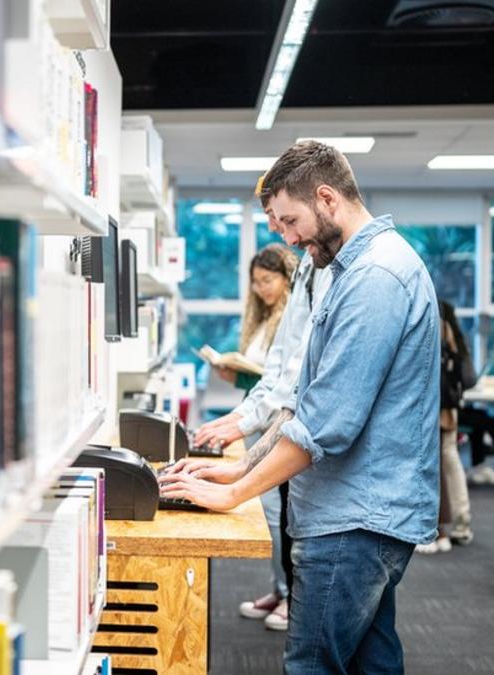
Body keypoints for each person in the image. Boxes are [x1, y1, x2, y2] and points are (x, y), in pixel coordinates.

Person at [162, 140, 440, 674]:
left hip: (354, 520)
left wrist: (238, 492)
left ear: (328, 198)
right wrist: (240, 465)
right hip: (358, 516)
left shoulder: (374, 279)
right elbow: (302, 399)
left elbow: (325, 425)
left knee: (311, 666)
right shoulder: (346, 270)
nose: (288, 239)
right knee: (371, 663)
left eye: (291, 221)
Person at [190, 183, 334, 632]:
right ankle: (285, 591)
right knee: (278, 518)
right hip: (272, 421)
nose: (282, 232)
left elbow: (295, 376)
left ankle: (294, 598)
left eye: (285, 220)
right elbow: (278, 370)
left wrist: (239, 449)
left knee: (289, 521)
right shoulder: (309, 275)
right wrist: (239, 421)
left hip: (298, 432)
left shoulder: (332, 277)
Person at [417, 300, 476, 554]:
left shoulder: (433, 321)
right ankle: (461, 522)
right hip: (449, 406)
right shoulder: (451, 324)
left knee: (437, 464)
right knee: (450, 460)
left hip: (436, 406)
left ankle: (438, 529)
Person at [216, 244, 298, 397]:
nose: (261, 288)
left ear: (286, 278)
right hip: (254, 407)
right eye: (257, 283)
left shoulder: (291, 320)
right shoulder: (264, 320)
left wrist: (240, 379)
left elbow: (284, 383)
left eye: (267, 281)